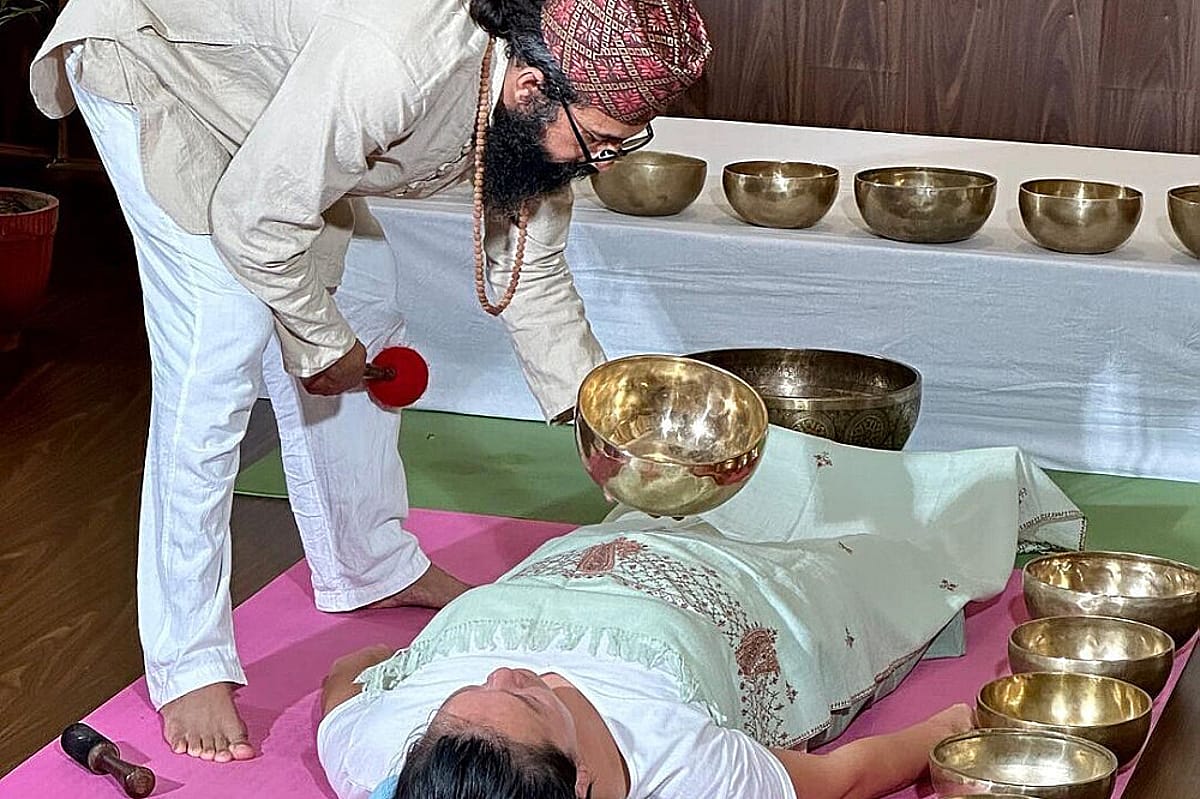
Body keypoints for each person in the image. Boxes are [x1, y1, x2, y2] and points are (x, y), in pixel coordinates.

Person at [28, 0, 711, 763]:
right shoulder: (396, 60)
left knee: (369, 295)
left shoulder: (537, 106)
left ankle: (367, 564)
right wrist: (320, 347)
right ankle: (187, 659)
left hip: (272, 102)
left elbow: (533, 275)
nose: (605, 163)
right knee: (220, 335)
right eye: (603, 142)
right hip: (158, 62)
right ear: (528, 88)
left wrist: (602, 437)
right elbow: (256, 221)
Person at [316, 426, 1088, 799]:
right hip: (726, 594)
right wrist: (942, 734)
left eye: (459, 698)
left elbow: (342, 683)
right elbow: (838, 780)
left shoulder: (377, 752)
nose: (506, 670)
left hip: (559, 572)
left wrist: (410, 661)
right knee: (886, 556)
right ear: (581, 780)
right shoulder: (682, 768)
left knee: (671, 500)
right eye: (522, 696)